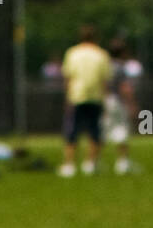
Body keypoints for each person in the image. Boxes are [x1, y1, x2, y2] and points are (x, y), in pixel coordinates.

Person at [58, 24, 111, 177]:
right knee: (94, 130)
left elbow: (68, 77)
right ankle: (90, 163)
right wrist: (105, 98)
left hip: (77, 96)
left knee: (71, 131)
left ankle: (69, 165)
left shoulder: (72, 53)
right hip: (95, 96)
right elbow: (104, 80)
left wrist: (67, 97)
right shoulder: (101, 54)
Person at [103, 38, 143, 175]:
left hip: (105, 99)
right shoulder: (120, 68)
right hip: (117, 101)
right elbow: (125, 88)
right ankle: (122, 163)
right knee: (122, 129)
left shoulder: (106, 66)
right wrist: (132, 104)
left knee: (103, 130)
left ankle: (93, 161)